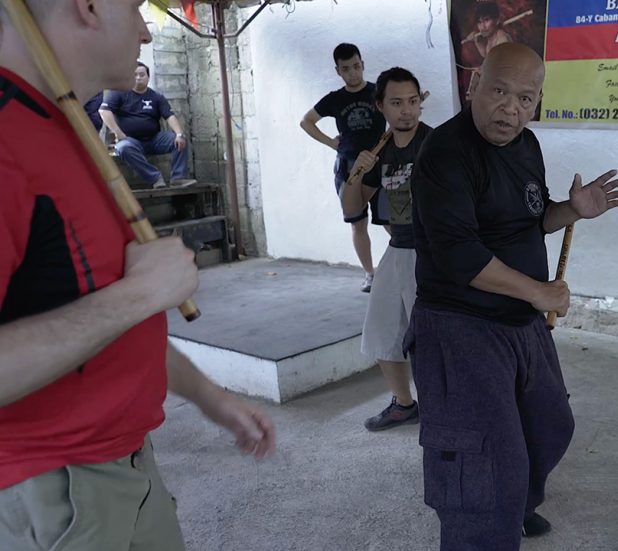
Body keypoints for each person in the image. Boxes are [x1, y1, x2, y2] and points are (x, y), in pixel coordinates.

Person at [0, 2, 276, 549]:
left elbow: (98, 317)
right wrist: (137, 295)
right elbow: (121, 305)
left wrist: (210, 398)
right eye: (135, 8)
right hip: (53, 493)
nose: (148, 30)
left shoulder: (67, 124)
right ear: (91, 7)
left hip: (128, 470)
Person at [408, 43, 618, 549]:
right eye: (499, 92)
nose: (509, 108)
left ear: (537, 103)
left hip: (520, 321)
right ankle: (486, 523)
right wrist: (539, 292)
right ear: (474, 87)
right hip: (459, 324)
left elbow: (527, 222)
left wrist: (571, 211)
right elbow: (460, 255)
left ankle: (512, 505)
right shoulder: (445, 152)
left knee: (550, 425)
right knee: (481, 458)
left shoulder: (526, 145)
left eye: (524, 98)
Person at [342, 67, 430, 431]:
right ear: (381, 106)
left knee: (430, 342)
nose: (406, 110)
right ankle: (404, 404)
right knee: (380, 332)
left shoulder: (435, 144)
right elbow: (351, 208)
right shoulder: (380, 151)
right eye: (396, 103)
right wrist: (359, 172)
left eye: (412, 101)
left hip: (432, 253)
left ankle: (441, 408)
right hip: (397, 250)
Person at [301, 43, 388, 293]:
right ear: (338, 70)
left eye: (357, 66)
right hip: (349, 166)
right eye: (346, 68)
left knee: (393, 220)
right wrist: (331, 143)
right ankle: (370, 274)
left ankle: (406, 268)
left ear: (363, 64)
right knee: (357, 222)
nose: (353, 73)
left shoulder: (378, 93)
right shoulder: (335, 99)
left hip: (380, 162)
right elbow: (306, 121)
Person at [100, 61, 195, 189]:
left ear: (148, 77)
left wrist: (179, 134)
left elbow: (170, 116)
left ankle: (178, 179)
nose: (138, 77)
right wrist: (119, 134)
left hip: (154, 140)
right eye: (135, 75)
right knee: (123, 148)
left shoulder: (157, 97)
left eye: (142, 74)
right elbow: (104, 111)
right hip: (130, 140)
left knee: (179, 140)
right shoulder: (119, 93)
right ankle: (155, 178)